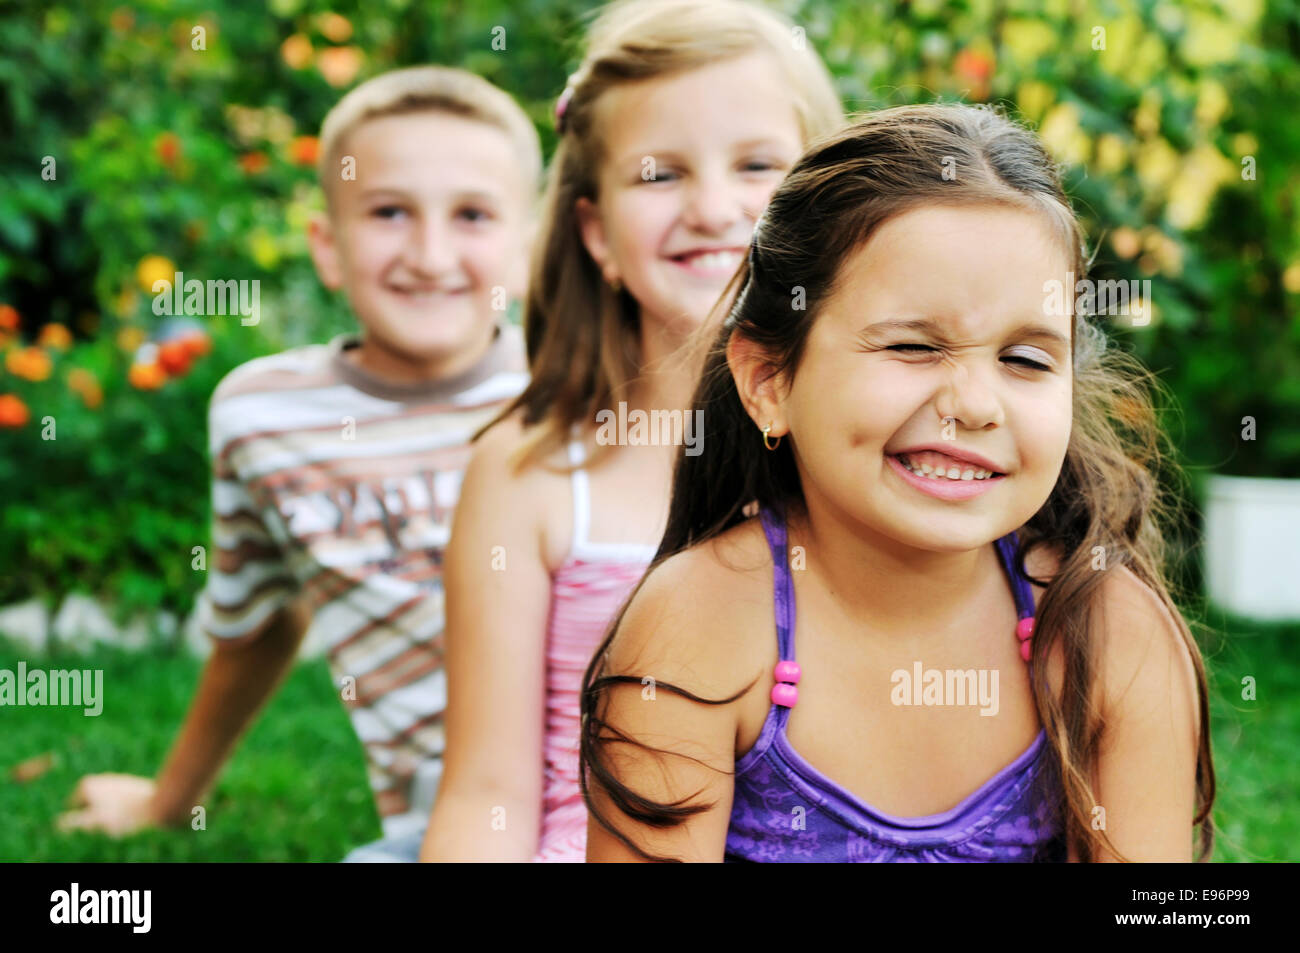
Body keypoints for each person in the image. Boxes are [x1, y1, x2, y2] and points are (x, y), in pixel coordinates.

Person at [581, 103, 1216, 862]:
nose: (975, 404)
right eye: (914, 345)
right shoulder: (701, 626)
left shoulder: (1103, 633)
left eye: (1025, 359)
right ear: (768, 380)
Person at [57, 66, 541, 855]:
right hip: (442, 823)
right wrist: (169, 800)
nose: (429, 253)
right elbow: (258, 621)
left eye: (473, 215)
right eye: (389, 211)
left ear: (527, 248)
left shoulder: (572, 393)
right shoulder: (264, 416)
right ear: (327, 244)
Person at [415, 0, 845, 862]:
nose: (716, 206)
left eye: (758, 163)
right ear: (595, 232)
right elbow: (487, 795)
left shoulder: (860, 450)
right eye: (659, 174)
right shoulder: (530, 473)